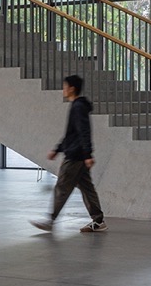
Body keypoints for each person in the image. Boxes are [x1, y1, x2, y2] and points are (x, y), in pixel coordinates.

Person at [31, 74, 106, 233]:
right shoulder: (77, 106)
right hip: (78, 154)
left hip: (75, 156)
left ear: (72, 88)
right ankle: (98, 220)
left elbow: (83, 131)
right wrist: (57, 149)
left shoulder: (78, 107)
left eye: (65, 87)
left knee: (62, 187)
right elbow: (71, 134)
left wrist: (87, 154)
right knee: (87, 188)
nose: (63, 90)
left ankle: (50, 221)